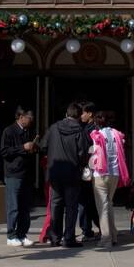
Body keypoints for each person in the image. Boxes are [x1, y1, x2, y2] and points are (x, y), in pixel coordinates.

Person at [40, 102, 87, 247]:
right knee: (71, 207)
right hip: (72, 172)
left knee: (56, 204)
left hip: (55, 172)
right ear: (79, 116)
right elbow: (82, 153)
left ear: (66, 114)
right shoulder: (79, 131)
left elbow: (43, 146)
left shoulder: (54, 128)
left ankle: (55, 237)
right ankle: (68, 238)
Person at [88, 111, 129, 247]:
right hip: (115, 172)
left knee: (103, 207)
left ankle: (106, 239)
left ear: (96, 123)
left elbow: (93, 153)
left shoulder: (96, 135)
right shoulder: (117, 134)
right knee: (109, 204)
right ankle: (113, 235)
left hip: (100, 173)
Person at [0, 106, 37, 247]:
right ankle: (11, 235)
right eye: (29, 117)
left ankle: (22, 234)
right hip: (13, 174)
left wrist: (33, 148)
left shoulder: (29, 131)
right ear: (21, 117)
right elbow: (4, 151)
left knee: (25, 207)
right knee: (13, 206)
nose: (32, 120)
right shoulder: (9, 131)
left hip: (26, 173)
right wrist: (23, 148)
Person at [76, 102, 101, 243]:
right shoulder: (94, 128)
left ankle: (87, 230)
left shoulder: (89, 130)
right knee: (92, 201)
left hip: (89, 169)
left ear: (90, 114)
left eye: (83, 113)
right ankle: (101, 228)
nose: (81, 116)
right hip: (96, 169)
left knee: (85, 201)